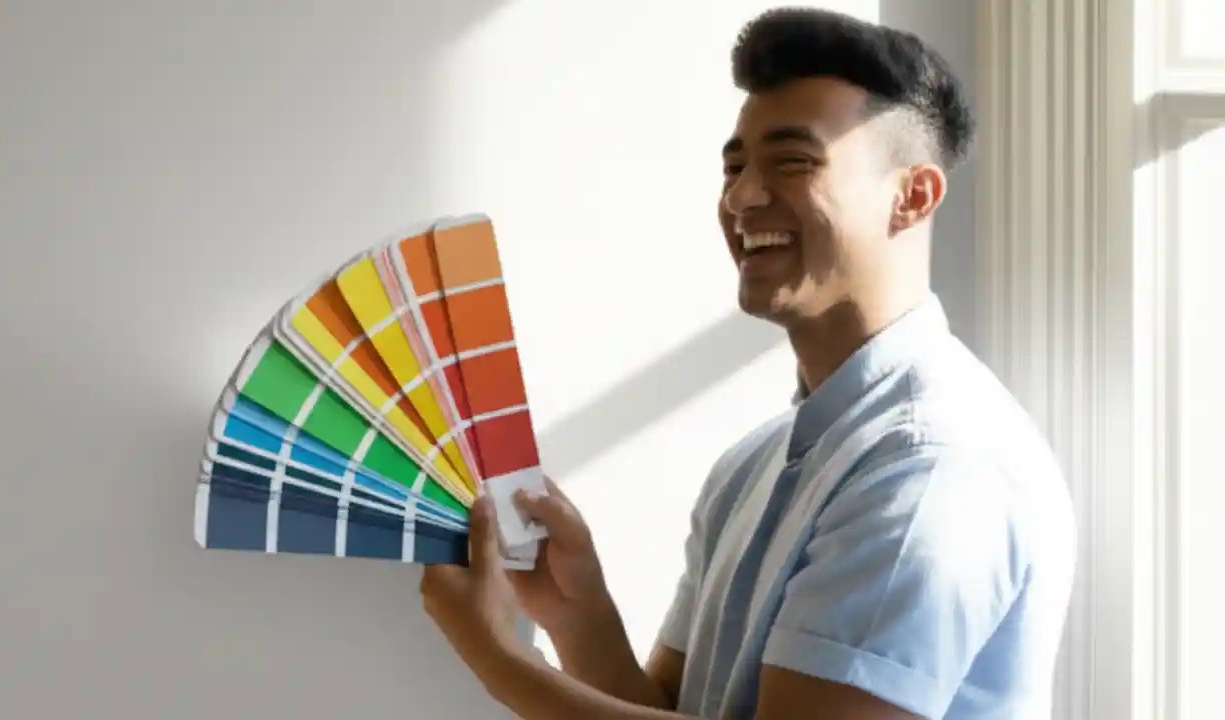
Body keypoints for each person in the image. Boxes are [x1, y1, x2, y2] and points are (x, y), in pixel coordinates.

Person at [419, 7, 1076, 719]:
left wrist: (498, 660)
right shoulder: (751, 468)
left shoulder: (931, 469)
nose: (741, 196)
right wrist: (580, 617)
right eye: (734, 167)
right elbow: (671, 709)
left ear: (912, 196)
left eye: (792, 161)